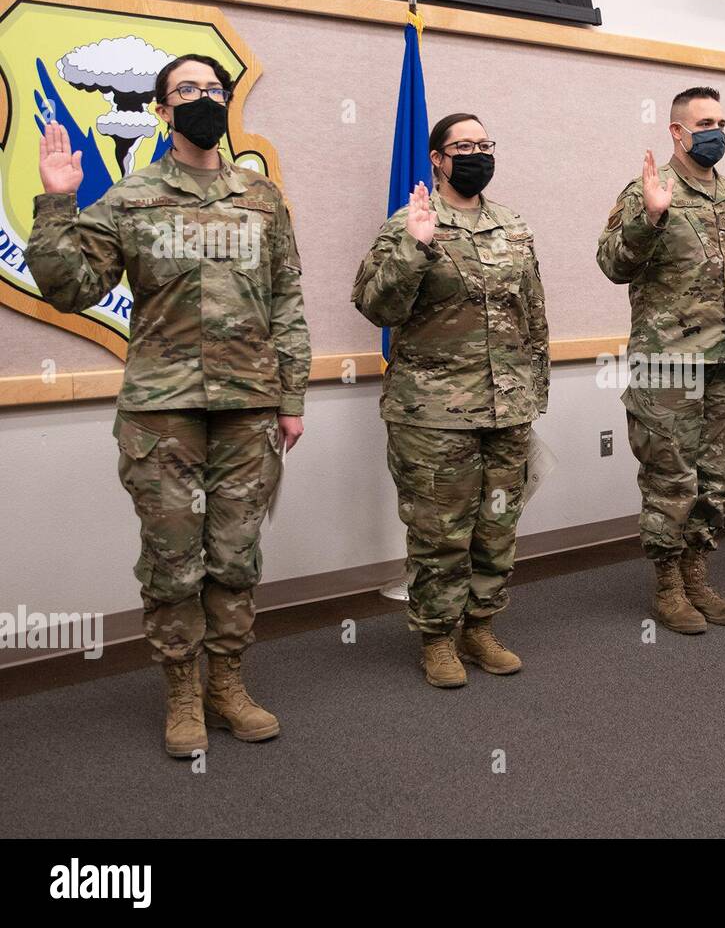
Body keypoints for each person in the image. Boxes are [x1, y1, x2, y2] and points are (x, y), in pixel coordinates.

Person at [26, 54, 311, 757]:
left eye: (214, 89)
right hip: (163, 411)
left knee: (236, 558)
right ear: (162, 111)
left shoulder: (261, 196)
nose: (205, 99)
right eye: (188, 90)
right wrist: (58, 201)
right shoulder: (132, 197)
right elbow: (70, 288)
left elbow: (287, 300)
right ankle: (182, 692)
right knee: (173, 560)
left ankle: (228, 685)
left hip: (248, 407)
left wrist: (292, 395)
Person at [353, 113, 549, 688]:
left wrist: (534, 392)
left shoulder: (512, 226)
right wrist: (414, 247)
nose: (477, 154)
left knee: (496, 525)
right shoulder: (409, 223)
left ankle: (480, 626)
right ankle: (437, 637)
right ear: (437, 158)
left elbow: (533, 314)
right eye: (463, 145)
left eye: (485, 144)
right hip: (431, 411)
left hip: (507, 406)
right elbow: (375, 307)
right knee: (439, 532)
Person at [597, 86, 725, 634]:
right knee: (671, 480)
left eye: (721, 121)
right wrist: (648, 219)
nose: (715, 131)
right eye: (703, 122)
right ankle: (668, 586)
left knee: (715, 479)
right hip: (668, 366)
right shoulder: (648, 191)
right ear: (676, 131)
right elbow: (611, 264)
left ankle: (698, 574)